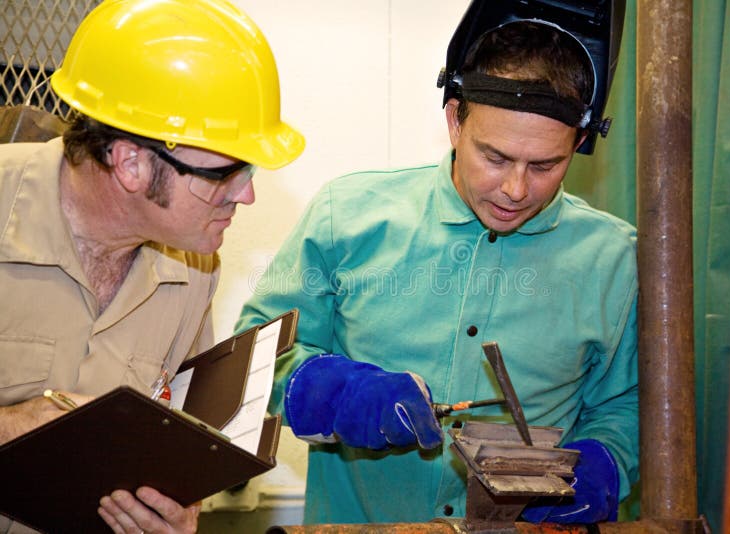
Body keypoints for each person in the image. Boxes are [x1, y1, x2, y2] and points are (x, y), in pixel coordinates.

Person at [236, 0, 636, 525]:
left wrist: (609, 460)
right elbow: (252, 359)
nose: (515, 190)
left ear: (579, 143)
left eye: (545, 165)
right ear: (454, 120)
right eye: (494, 157)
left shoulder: (615, 259)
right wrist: (333, 390)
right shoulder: (346, 216)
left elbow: (626, 406)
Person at [0, 0, 303, 532]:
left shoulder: (195, 266)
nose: (247, 195)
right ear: (132, 163)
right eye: (225, 173)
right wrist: (18, 424)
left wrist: (175, 512)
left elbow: (176, 434)